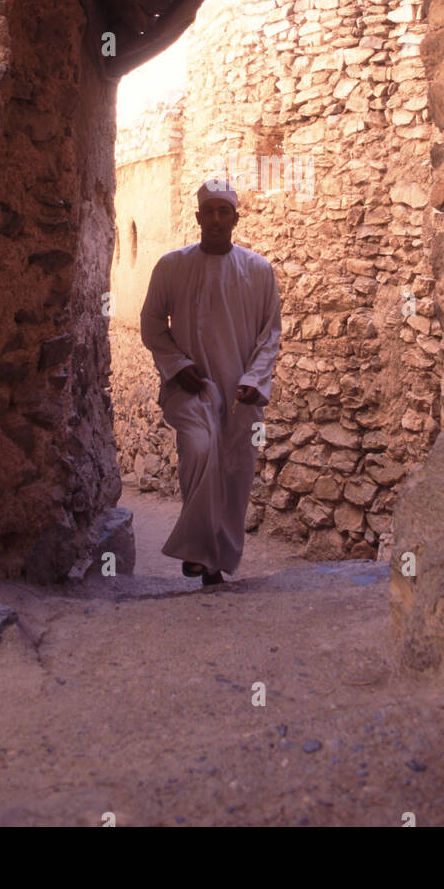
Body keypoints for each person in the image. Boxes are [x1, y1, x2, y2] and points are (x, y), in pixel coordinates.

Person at [140, 179, 282, 586]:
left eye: (225, 212)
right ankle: (199, 553)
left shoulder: (258, 270)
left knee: (235, 473)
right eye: (210, 212)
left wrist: (256, 378)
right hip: (192, 387)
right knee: (201, 450)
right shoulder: (172, 266)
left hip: (241, 392)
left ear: (236, 218)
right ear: (198, 217)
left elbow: (269, 334)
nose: (217, 220)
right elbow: (152, 324)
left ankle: (214, 564)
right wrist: (176, 363)